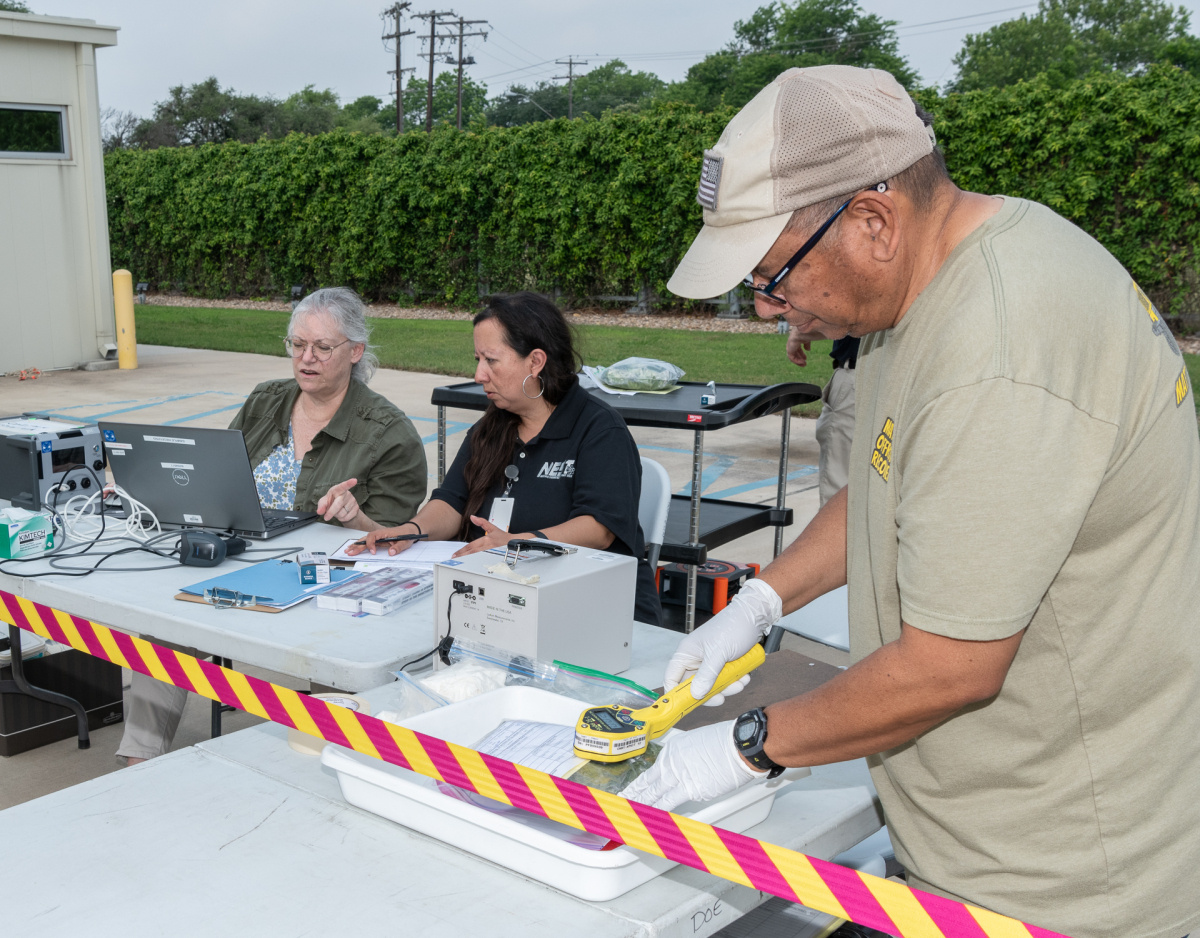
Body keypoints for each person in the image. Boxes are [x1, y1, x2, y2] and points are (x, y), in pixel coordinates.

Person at [623, 65, 1200, 938]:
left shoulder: (999, 352)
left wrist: (748, 746)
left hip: (1058, 880)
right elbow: (885, 485)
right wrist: (761, 601)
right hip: (963, 837)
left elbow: (951, 665)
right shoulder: (928, 285)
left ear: (871, 220)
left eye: (774, 276)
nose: (774, 307)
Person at [118, 287, 427, 765]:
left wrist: (355, 517)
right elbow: (215, 471)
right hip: (240, 556)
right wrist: (146, 490)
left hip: (325, 581)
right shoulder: (267, 401)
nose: (306, 358)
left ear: (355, 352)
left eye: (323, 348)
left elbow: (398, 538)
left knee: (338, 663)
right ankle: (138, 755)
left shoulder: (389, 433)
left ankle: (333, 764)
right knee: (165, 624)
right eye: (296, 344)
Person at [352, 291, 662, 627]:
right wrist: (411, 531)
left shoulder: (600, 429)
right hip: (507, 606)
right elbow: (452, 502)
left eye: (491, 360)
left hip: (600, 613)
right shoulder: (493, 425)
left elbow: (598, 528)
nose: (479, 375)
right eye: (477, 360)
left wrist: (516, 544)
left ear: (535, 362)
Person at [789, 329, 857, 506]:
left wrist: (801, 331)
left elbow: (847, 313)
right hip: (904, 375)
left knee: (839, 492)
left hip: (858, 375)